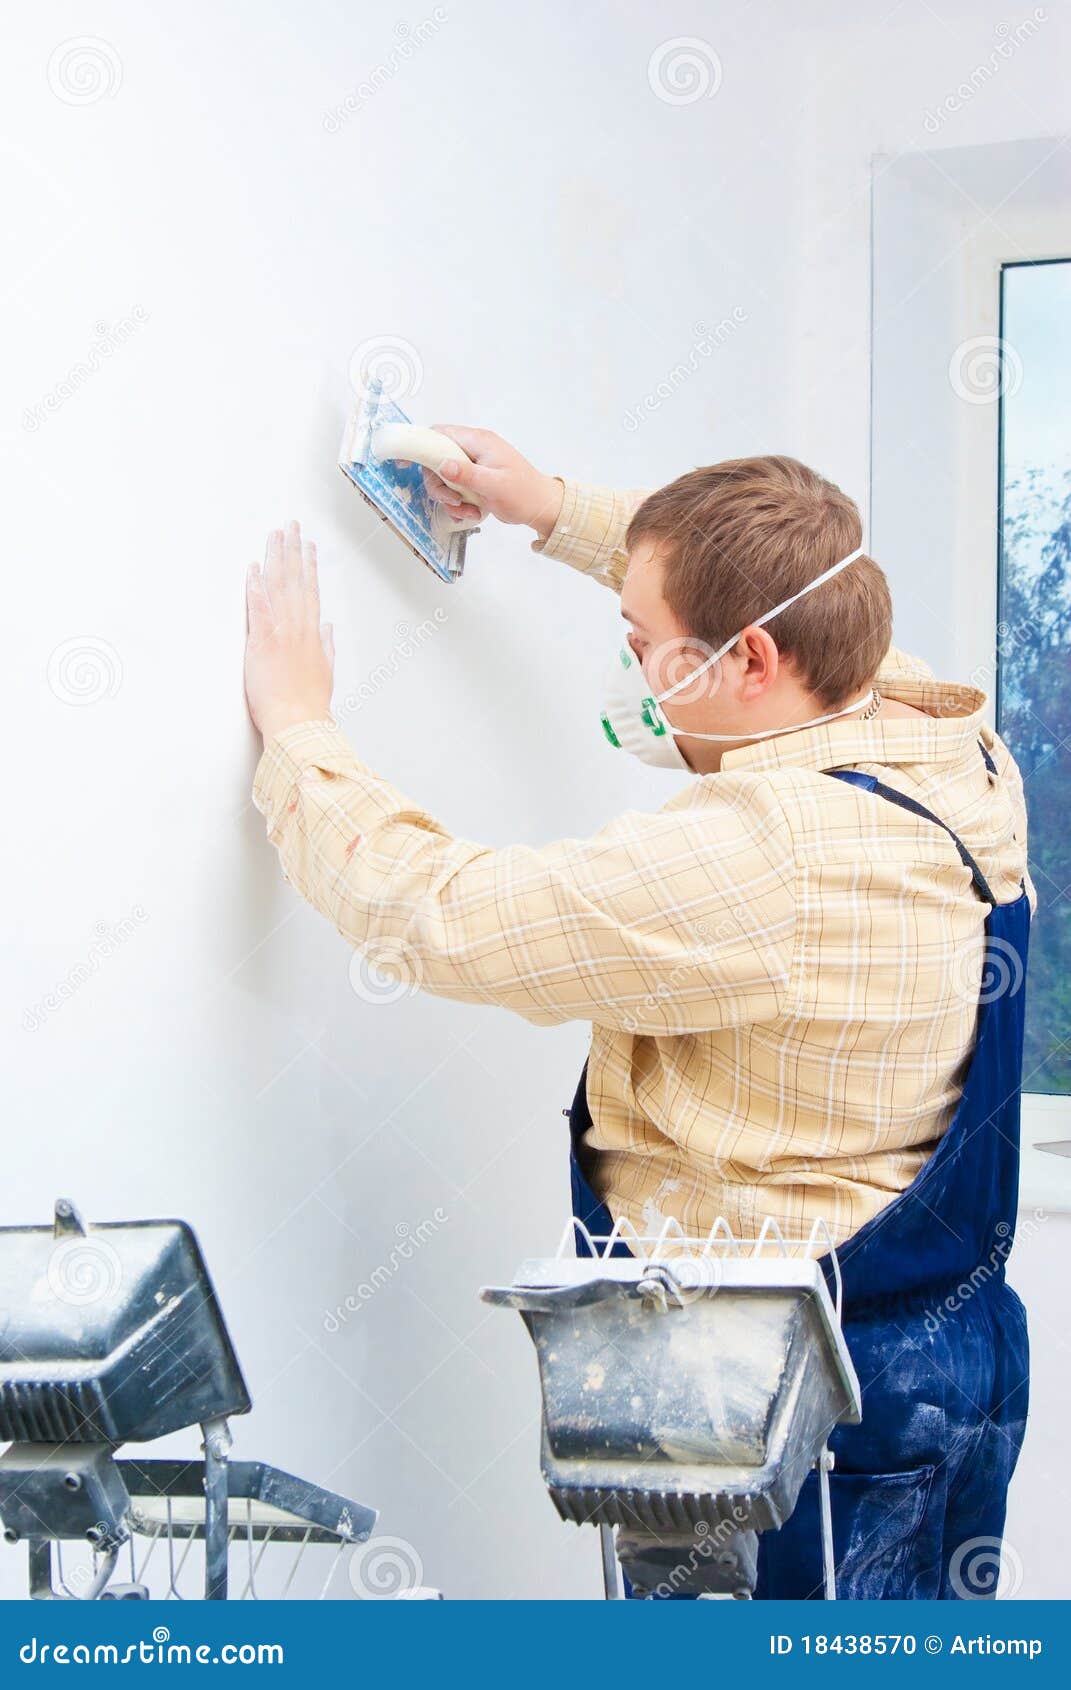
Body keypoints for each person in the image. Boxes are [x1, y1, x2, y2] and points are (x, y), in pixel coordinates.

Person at [243, 434, 1032, 1600]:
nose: (633, 671)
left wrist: (301, 728)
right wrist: (547, 508)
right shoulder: (940, 734)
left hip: (793, 1420)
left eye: (641, 645)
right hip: (949, 1369)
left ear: (751, 658)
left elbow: (443, 913)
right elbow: (782, 585)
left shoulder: (763, 857)